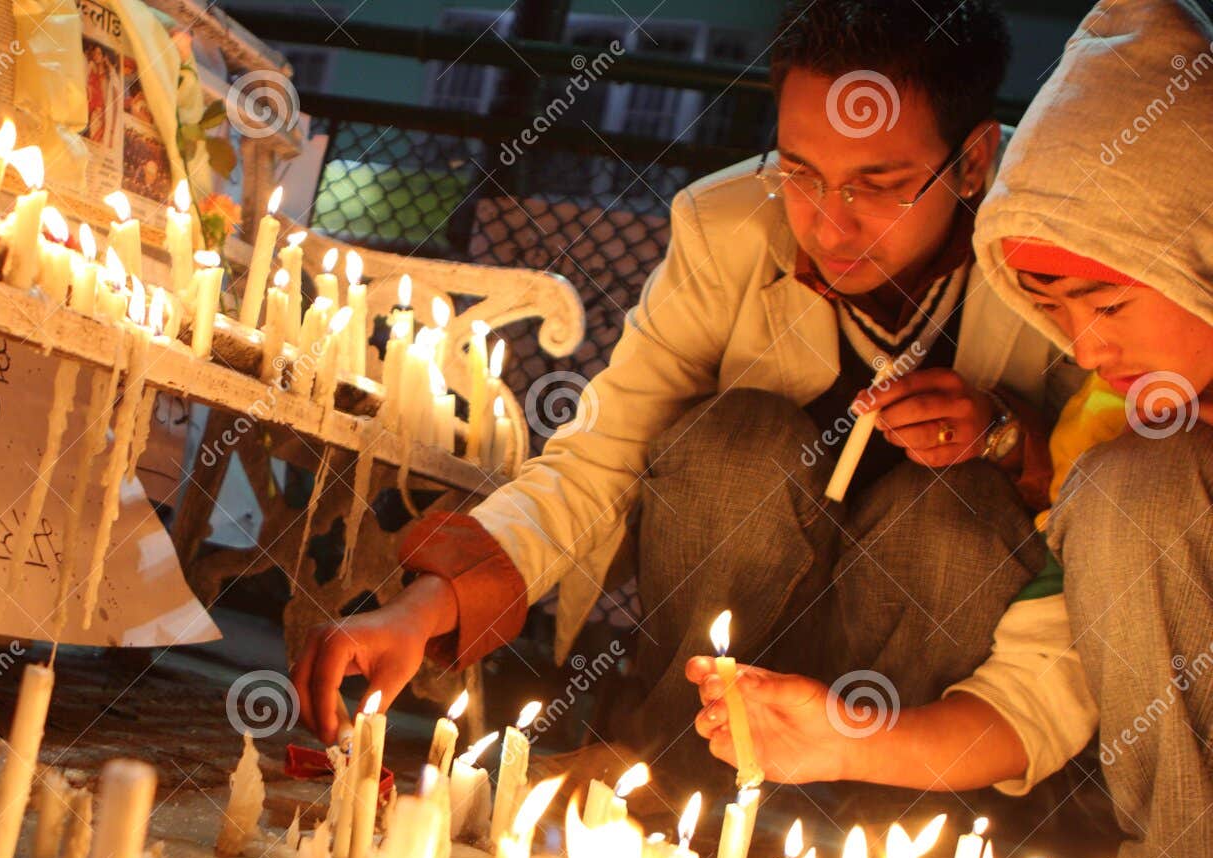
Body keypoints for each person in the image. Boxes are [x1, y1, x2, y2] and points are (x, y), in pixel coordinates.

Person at [293, 0, 1080, 815]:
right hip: (726, 645)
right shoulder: (727, 227)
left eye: (877, 186)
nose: (829, 224)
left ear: (976, 161)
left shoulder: (1054, 255)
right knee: (736, 440)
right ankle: (672, 769)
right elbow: (600, 454)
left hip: (907, 699)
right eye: (803, 173)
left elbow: (1096, 504)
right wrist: (427, 607)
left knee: (952, 507)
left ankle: (861, 824)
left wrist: (1009, 438)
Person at [690, 0, 1213, 858]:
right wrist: (841, 739)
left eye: (1110, 305)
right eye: (1054, 310)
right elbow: (1040, 685)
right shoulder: (1123, 445)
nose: (1084, 351)